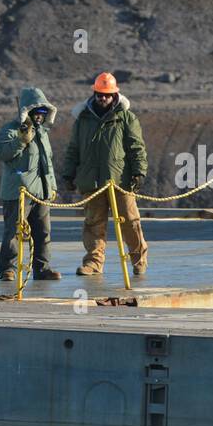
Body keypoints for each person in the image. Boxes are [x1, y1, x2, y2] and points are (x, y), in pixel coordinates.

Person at [61, 72, 149, 276]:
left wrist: (139, 172)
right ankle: (93, 263)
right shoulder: (82, 120)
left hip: (120, 181)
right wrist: (68, 174)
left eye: (106, 95)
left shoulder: (126, 118)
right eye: (99, 94)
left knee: (130, 222)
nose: (103, 98)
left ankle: (139, 260)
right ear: (94, 93)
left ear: (114, 95)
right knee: (93, 224)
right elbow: (73, 148)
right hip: (91, 181)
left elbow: (137, 147)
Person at [0, 86, 62, 281]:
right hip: (18, 192)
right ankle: (8, 268)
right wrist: (21, 141)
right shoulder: (10, 129)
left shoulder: (43, 133)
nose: (40, 115)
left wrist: (52, 186)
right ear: (27, 110)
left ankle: (42, 268)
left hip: (41, 192)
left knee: (43, 232)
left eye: (43, 112)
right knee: (13, 232)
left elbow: (47, 162)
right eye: (36, 111)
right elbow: (1, 153)